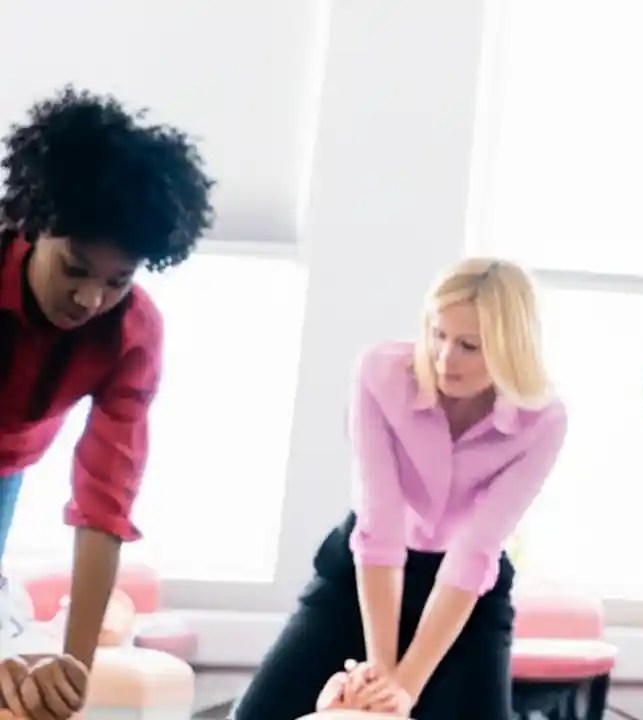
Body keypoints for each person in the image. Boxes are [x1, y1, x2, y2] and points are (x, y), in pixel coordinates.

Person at [232, 258, 568, 720]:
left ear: (510, 347)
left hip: (465, 597)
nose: (446, 358)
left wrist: (403, 689)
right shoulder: (381, 372)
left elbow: (473, 553)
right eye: (438, 334)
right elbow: (380, 525)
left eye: (470, 345)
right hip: (362, 576)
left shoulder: (543, 419)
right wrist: (380, 673)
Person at [0, 87, 214, 717]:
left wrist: (75, 665)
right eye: (74, 268)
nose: (90, 298)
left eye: (117, 280)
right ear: (35, 227)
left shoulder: (133, 335)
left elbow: (104, 500)